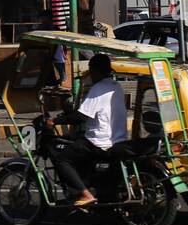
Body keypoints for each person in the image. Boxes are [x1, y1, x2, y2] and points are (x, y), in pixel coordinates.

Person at [48, 53, 128, 207]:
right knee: (75, 139)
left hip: (99, 141)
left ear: (96, 70)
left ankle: (85, 194)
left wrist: (54, 121)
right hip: (117, 139)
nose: (90, 74)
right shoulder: (116, 86)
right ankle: (83, 184)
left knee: (62, 159)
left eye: (91, 70)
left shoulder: (99, 88)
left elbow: (82, 116)